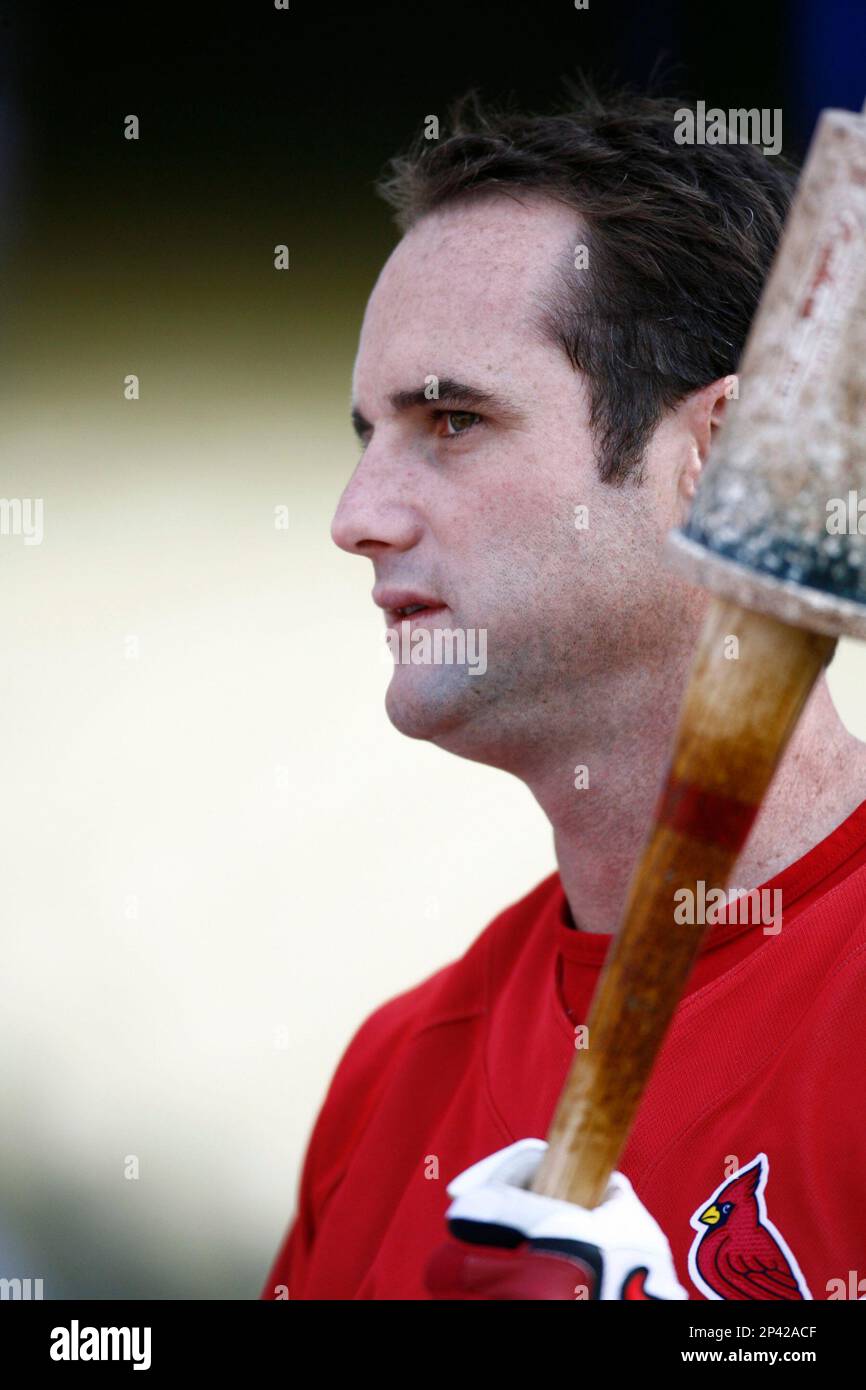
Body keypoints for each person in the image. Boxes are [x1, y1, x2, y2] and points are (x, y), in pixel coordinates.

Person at [262, 82, 866, 1300]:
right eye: (364, 434)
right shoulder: (393, 1080)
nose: (354, 519)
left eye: (451, 419)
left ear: (713, 458)